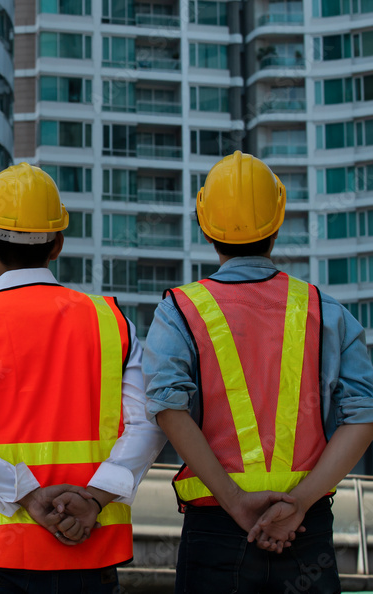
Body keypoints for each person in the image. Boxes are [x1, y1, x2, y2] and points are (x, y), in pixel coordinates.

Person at [0, 162, 166, 593]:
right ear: (57, 245)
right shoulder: (110, 323)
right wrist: (94, 498)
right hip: (88, 552)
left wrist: (27, 493)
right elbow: (149, 423)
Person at [142, 151, 373, 594]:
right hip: (306, 531)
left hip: (216, 526)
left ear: (205, 224)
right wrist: (299, 503)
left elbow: (168, 408)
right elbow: (362, 417)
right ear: (278, 218)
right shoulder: (327, 313)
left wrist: (236, 503)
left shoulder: (181, 311)